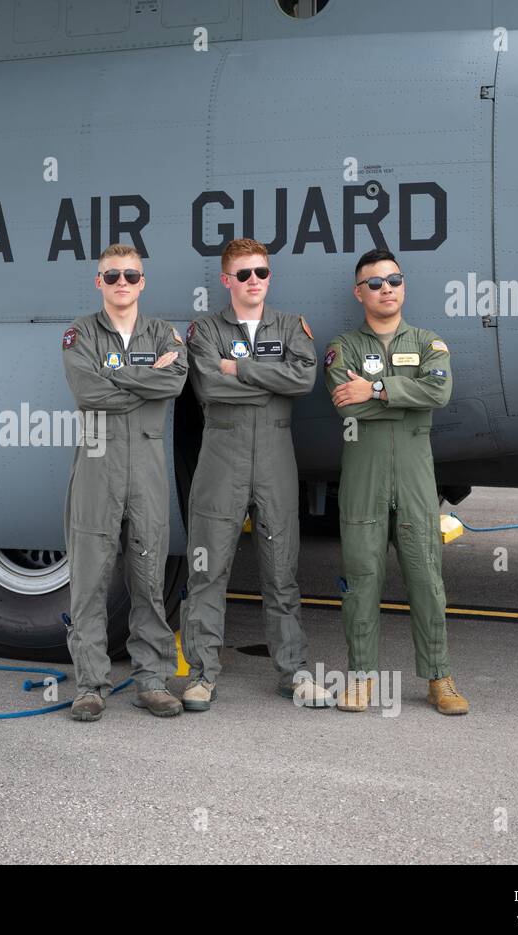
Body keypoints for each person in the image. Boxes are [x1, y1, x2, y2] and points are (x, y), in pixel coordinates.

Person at [181, 237, 330, 711]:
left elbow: (304, 380)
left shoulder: (290, 325)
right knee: (208, 569)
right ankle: (202, 675)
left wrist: (239, 369)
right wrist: (268, 378)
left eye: (261, 273)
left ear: (270, 277)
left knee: (282, 570)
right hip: (220, 459)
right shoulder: (205, 330)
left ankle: (294, 672)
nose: (253, 282)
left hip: (274, 458)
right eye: (243, 274)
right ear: (226, 280)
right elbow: (209, 386)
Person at [324, 248, 468, 715]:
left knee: (427, 578)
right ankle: (362, 677)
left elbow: (439, 392)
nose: (386, 289)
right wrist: (401, 394)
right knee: (362, 578)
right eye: (375, 283)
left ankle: (439, 678)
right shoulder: (342, 347)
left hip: (414, 475)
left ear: (403, 286)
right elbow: (348, 405)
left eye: (394, 280)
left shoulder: (430, 343)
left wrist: (377, 388)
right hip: (363, 474)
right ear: (359, 292)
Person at [61, 244, 188, 721]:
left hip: (148, 469)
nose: (121, 283)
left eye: (130, 276)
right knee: (90, 580)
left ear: (142, 283)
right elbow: (87, 392)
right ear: (99, 282)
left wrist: (119, 377)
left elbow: (173, 382)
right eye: (111, 275)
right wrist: (143, 376)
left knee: (149, 576)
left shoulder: (163, 333)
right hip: (98, 464)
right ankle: (91, 685)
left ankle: (152, 680)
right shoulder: (80, 334)